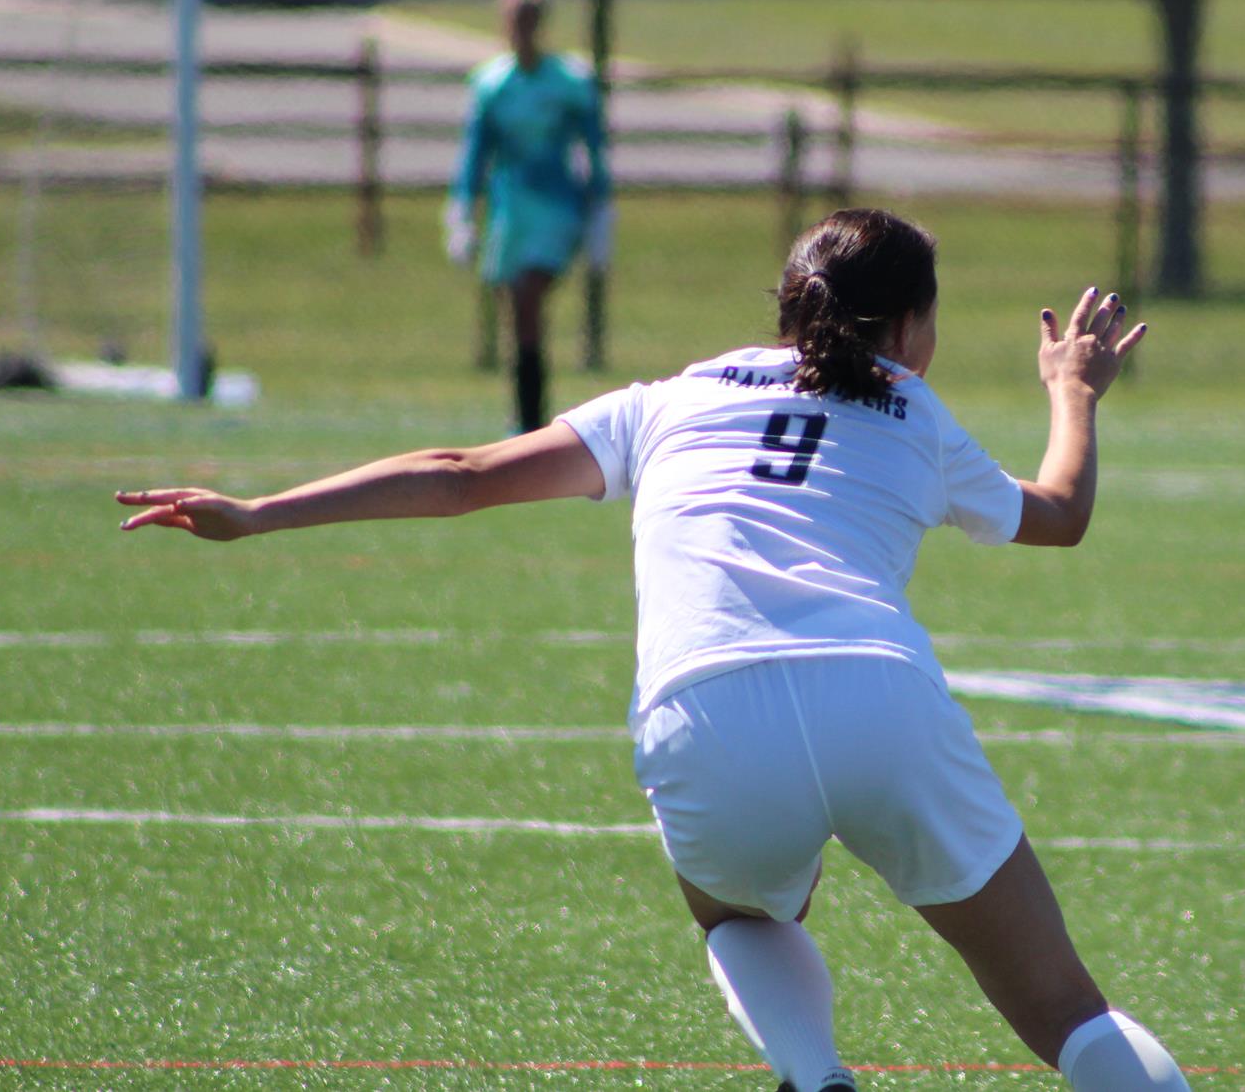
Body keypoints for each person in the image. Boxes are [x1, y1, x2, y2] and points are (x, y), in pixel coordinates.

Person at [117, 208, 1187, 1092]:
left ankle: (815, 1081)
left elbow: (458, 471)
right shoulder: (914, 412)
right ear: (910, 327)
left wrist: (256, 512)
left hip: (703, 706)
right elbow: (1056, 509)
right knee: (1061, 1008)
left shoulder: (669, 399)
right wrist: (1071, 389)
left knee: (737, 910)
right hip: (880, 698)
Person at [444, 0, 613, 433]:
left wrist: (600, 209)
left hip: (554, 207)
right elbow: (475, 153)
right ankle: (527, 414)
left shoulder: (569, 83)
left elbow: (593, 150)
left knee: (529, 297)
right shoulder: (492, 84)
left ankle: (531, 421)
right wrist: (461, 211)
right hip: (510, 210)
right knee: (517, 313)